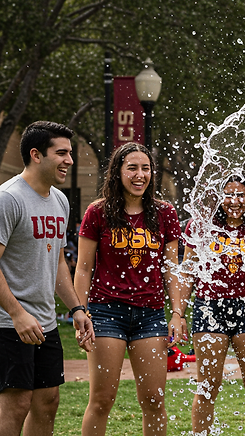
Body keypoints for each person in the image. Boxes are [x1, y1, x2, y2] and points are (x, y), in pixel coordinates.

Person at [0, 121, 94, 435]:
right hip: (4, 317)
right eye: (62, 152)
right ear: (36, 154)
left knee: (48, 400)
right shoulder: (7, 199)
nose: (69, 160)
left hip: (43, 318)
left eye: (70, 153)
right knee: (16, 403)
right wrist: (17, 314)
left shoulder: (59, 201)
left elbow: (54, 263)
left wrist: (77, 309)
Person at [75, 142, 183, 436]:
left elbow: (172, 268)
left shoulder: (164, 213)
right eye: (132, 168)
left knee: (154, 400)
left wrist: (176, 313)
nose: (140, 174)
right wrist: (80, 311)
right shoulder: (98, 212)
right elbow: (83, 268)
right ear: (118, 172)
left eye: (145, 168)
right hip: (106, 312)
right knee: (102, 400)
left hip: (150, 315)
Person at [179, 172, 245, 436]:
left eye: (240, 194)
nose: (234, 200)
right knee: (207, 386)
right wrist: (178, 313)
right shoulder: (201, 226)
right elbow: (187, 272)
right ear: (219, 197)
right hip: (210, 307)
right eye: (228, 194)